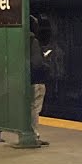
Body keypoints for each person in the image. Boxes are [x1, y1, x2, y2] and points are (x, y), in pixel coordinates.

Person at [29, 16, 49, 146]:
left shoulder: (21, 40)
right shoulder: (33, 41)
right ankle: (34, 135)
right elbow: (37, 62)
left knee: (30, 108)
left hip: (28, 80)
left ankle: (31, 134)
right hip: (37, 79)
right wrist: (45, 63)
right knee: (35, 108)